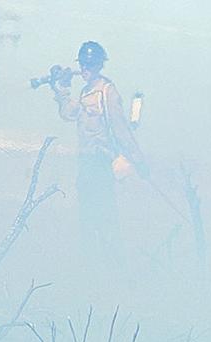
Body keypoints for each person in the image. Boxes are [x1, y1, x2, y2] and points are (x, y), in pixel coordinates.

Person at [51, 41, 147, 275]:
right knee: (87, 220)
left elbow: (121, 129)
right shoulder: (84, 93)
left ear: (99, 65)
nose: (86, 69)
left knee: (106, 219)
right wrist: (61, 88)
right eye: (83, 64)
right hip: (85, 166)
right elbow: (68, 113)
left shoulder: (107, 92)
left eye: (91, 64)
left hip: (101, 165)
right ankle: (90, 271)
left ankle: (116, 270)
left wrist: (138, 159)